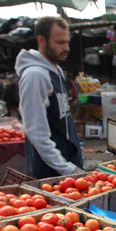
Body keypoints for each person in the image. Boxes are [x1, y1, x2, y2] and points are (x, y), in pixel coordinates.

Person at [15, 17, 84, 179]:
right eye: (60, 42)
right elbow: (37, 132)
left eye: (67, 42)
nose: (66, 48)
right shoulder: (35, 76)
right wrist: (66, 168)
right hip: (51, 174)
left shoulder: (56, 70)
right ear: (41, 40)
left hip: (66, 167)